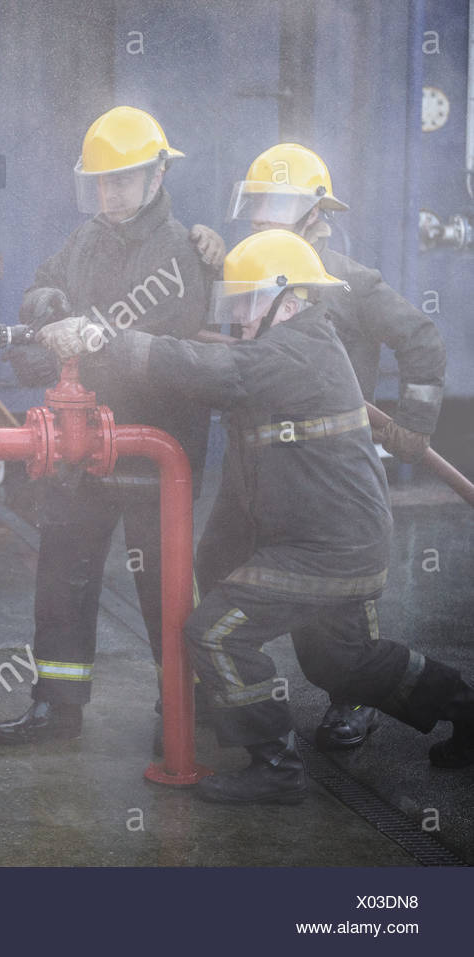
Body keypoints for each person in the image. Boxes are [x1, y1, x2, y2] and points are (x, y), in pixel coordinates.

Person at [37, 230, 473, 803]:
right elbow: (215, 363)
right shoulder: (294, 342)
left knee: (213, 632)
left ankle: (277, 765)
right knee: (346, 660)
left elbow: (211, 370)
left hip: (325, 550)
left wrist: (104, 340)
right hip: (336, 542)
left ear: (287, 301)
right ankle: (465, 708)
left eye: (247, 305)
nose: (238, 319)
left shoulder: (294, 349)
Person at [193, 144, 447, 751]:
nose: (259, 217)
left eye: (274, 205)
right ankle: (223, 688)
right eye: (255, 204)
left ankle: (351, 701)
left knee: (335, 617)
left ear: (314, 213)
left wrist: (413, 424)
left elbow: (422, 338)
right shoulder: (245, 266)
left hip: (325, 472)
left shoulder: (351, 283)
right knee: (216, 569)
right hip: (253, 464)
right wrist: (200, 250)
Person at [0, 106, 211, 747]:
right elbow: (43, 287)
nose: (110, 193)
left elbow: (146, 347)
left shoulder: (179, 254)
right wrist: (52, 312)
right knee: (63, 574)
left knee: (164, 590)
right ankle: (57, 710)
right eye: (102, 182)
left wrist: (70, 345)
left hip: (151, 453)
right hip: (85, 452)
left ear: (158, 174)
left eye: (123, 179)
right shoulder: (89, 238)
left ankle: (181, 712)